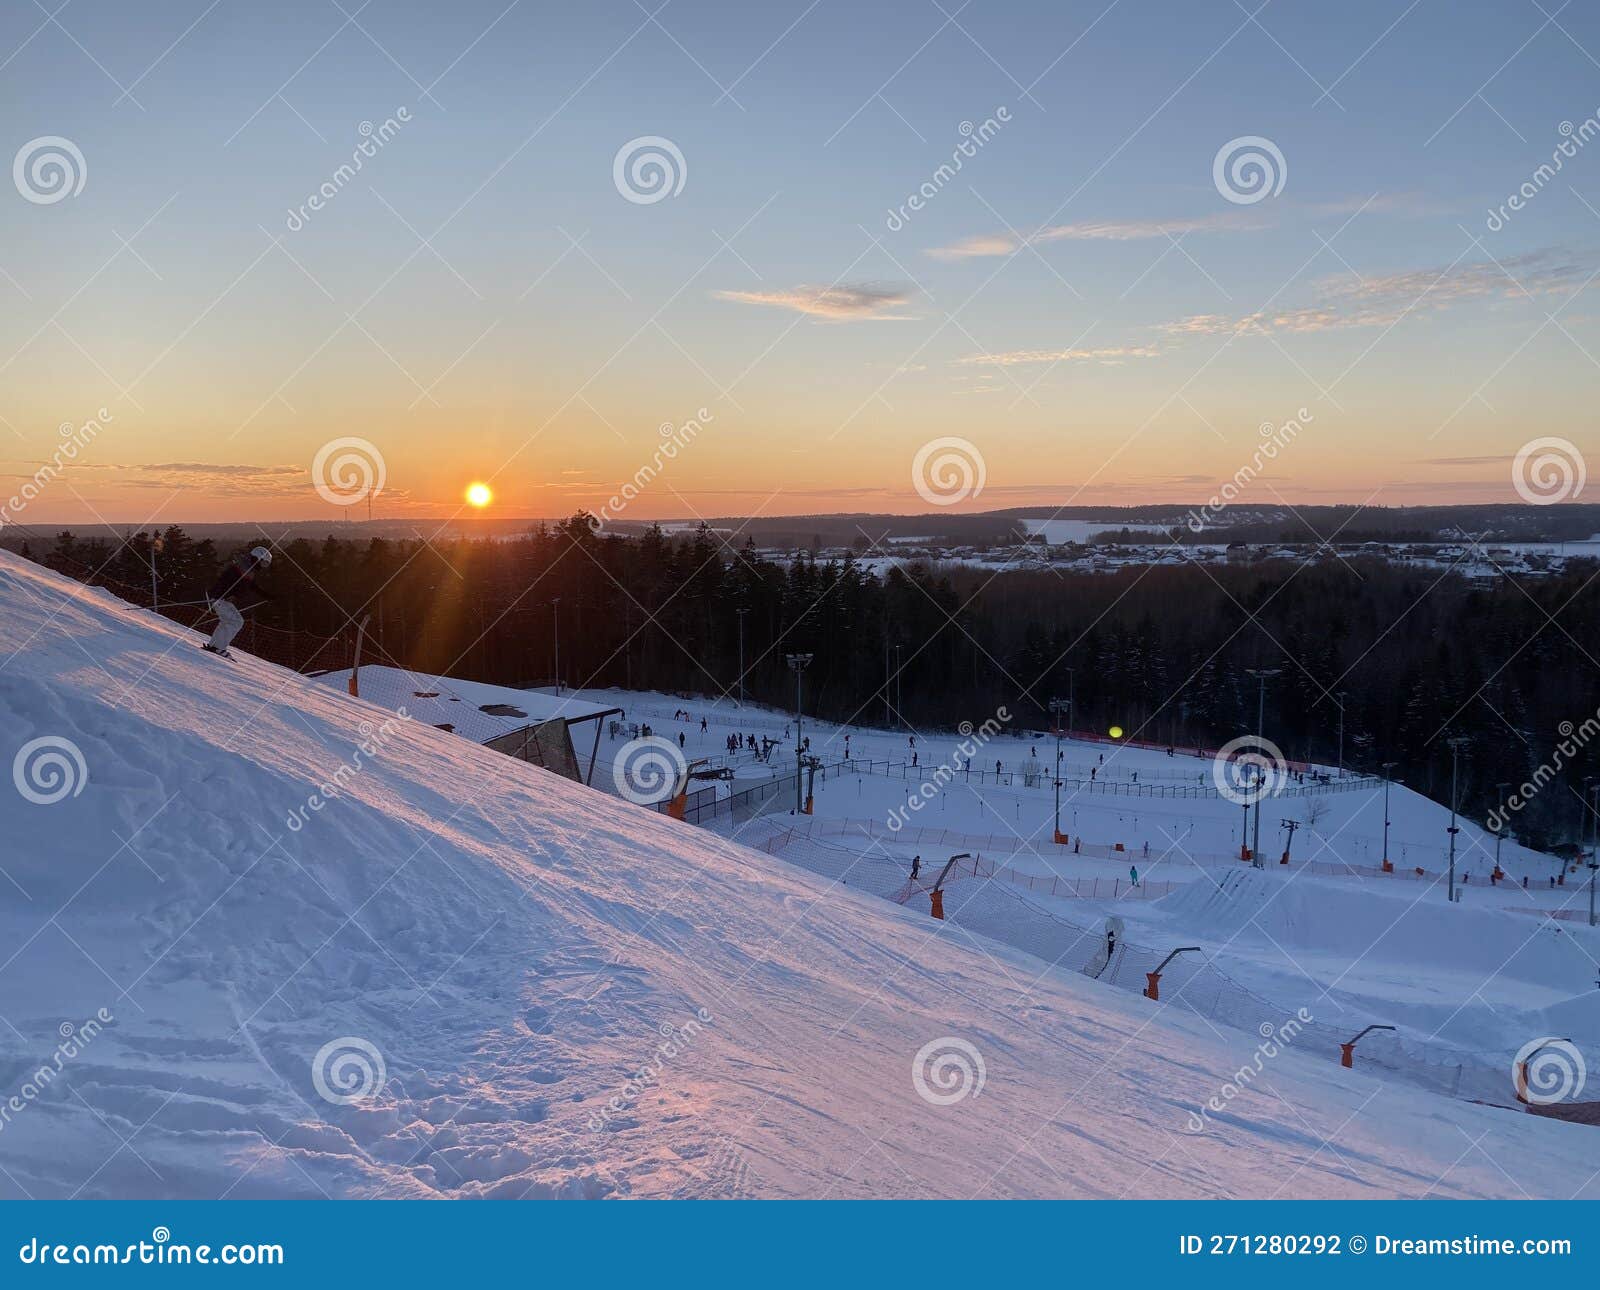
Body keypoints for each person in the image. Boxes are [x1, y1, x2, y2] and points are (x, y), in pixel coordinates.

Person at [205, 546, 273, 657]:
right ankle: (218, 648)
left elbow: (251, 585)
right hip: (220, 598)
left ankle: (214, 646)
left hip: (221, 598)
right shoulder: (243, 567)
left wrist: (266, 595)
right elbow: (225, 579)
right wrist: (217, 595)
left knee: (228, 621)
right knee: (236, 622)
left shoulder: (247, 567)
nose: (262, 567)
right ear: (257, 558)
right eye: (263, 563)